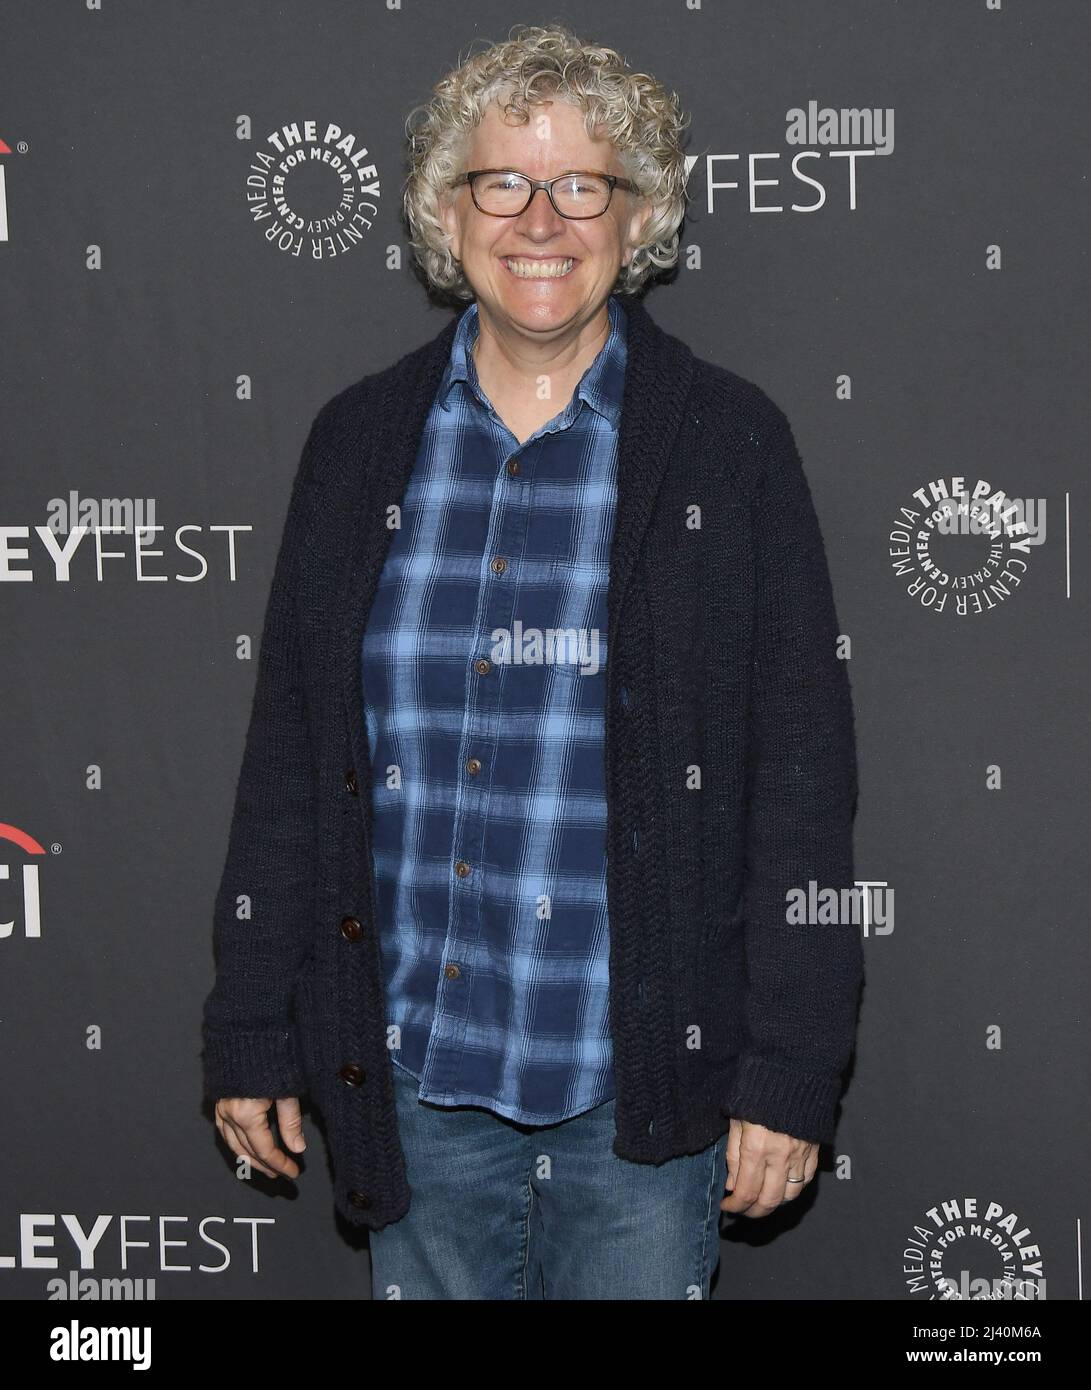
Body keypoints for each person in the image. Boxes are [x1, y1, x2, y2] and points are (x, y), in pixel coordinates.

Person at [202, 22, 863, 1301]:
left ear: (641, 215)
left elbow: (798, 778)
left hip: (638, 1105)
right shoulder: (356, 447)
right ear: (445, 214)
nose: (540, 220)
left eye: (583, 185)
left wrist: (789, 1061)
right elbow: (291, 762)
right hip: (408, 1086)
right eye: (500, 181)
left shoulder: (726, 448)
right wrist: (248, 1023)